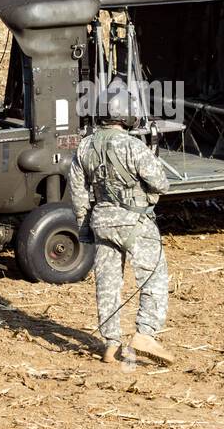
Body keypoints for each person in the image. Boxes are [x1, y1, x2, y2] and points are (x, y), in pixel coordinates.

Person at [68, 79, 174, 366]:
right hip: (135, 223)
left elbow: (78, 194)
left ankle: (111, 344)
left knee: (107, 283)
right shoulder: (134, 146)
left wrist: (85, 228)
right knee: (153, 276)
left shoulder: (84, 148)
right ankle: (145, 334)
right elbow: (161, 184)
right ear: (128, 114)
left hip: (101, 223)